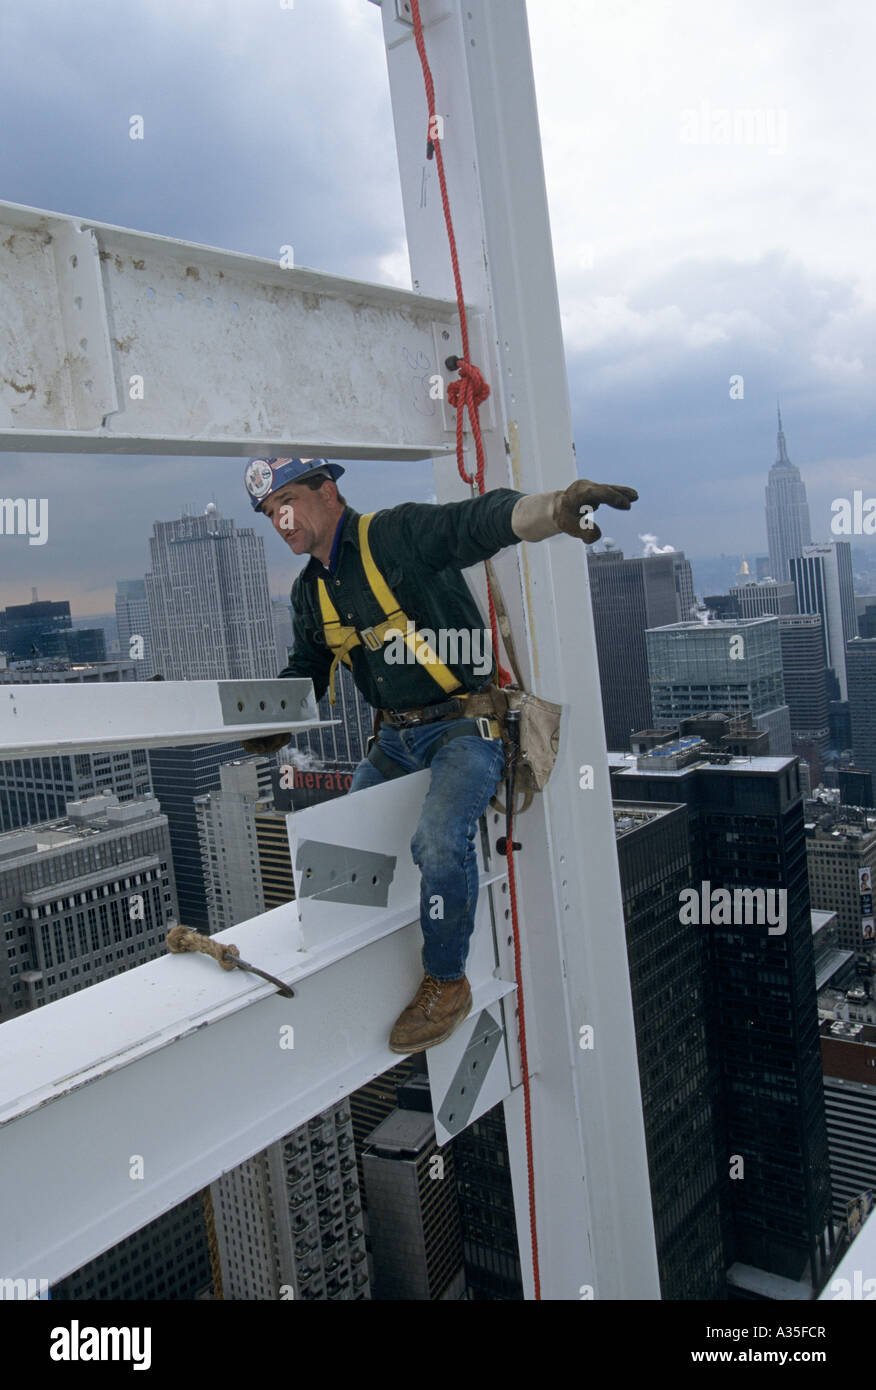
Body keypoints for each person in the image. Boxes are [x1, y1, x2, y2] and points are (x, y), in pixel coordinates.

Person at [242, 456, 637, 1053]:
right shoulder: (308, 592)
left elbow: (472, 523)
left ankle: (447, 983)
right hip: (396, 739)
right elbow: (309, 666)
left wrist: (555, 509)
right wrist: (275, 719)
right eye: (272, 512)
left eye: (289, 501)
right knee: (345, 847)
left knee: (437, 841)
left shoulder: (394, 536)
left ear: (327, 492)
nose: (283, 519)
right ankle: (354, 951)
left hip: (463, 727)